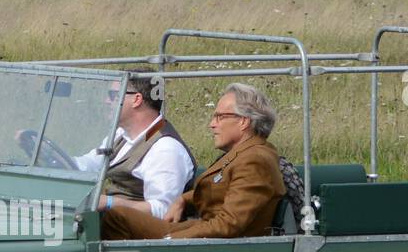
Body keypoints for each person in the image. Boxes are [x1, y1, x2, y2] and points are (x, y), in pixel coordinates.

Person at [102, 83, 285, 241]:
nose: (212, 124)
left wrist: (173, 239)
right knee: (115, 215)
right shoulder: (243, 153)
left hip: (216, 248)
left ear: (244, 121)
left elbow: (229, 224)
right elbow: (220, 187)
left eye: (220, 117)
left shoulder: (254, 160)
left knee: (114, 217)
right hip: (204, 234)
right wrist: (183, 199)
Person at [78, 75, 196, 220]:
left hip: (135, 235)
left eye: (113, 95)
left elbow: (164, 211)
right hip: (112, 224)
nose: (107, 101)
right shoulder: (120, 134)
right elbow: (90, 163)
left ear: (136, 99)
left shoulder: (165, 149)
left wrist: (109, 203)